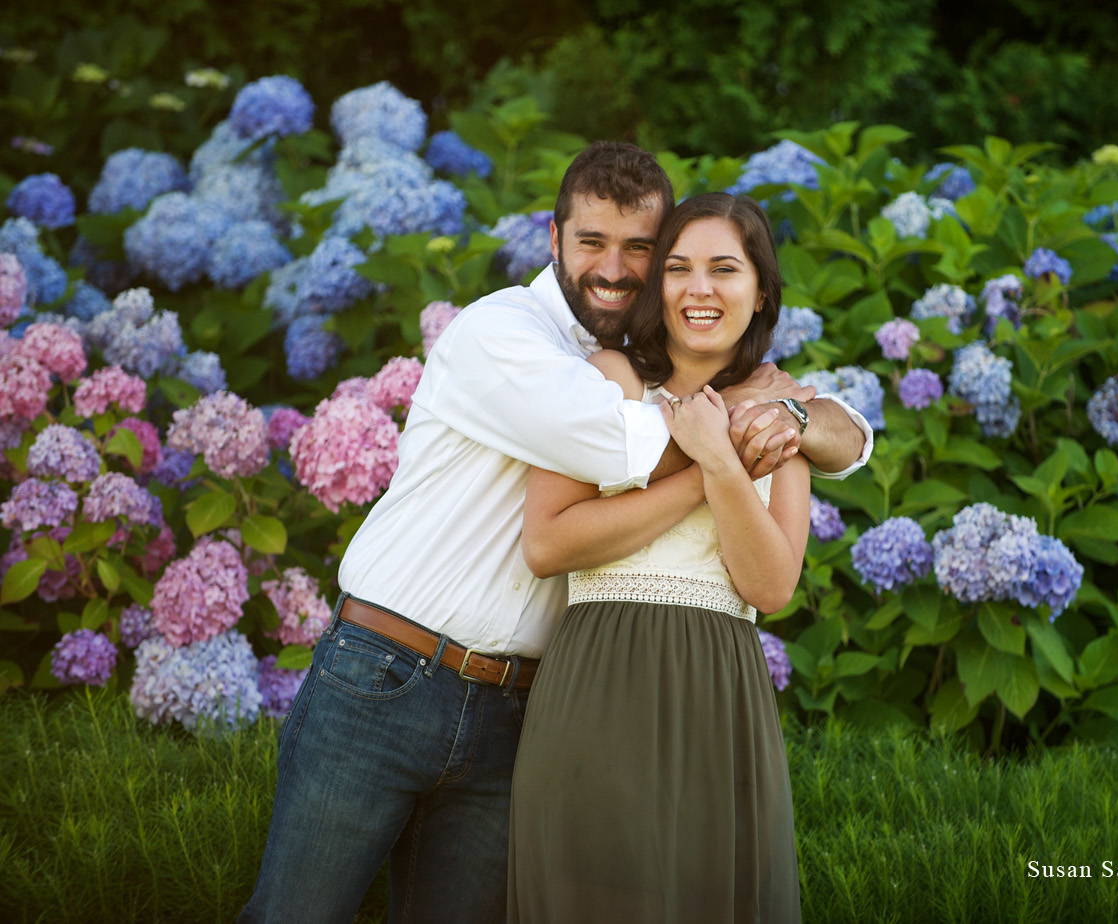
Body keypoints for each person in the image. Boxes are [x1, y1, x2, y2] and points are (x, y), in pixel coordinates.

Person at [240, 143, 873, 924]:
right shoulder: (512, 337)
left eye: (641, 248)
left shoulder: (766, 407)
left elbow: (806, 512)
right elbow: (577, 504)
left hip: (521, 702)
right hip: (392, 673)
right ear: (552, 239)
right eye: (593, 243)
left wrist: (806, 419)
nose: (618, 268)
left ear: (761, 288)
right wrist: (731, 442)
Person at [507, 192, 808, 922]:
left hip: (719, 699)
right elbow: (549, 544)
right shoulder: (608, 381)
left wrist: (727, 462)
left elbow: (769, 585)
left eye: (724, 269)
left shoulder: (780, 414)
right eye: (677, 267)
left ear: (761, 288)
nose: (698, 288)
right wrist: (706, 464)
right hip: (599, 689)